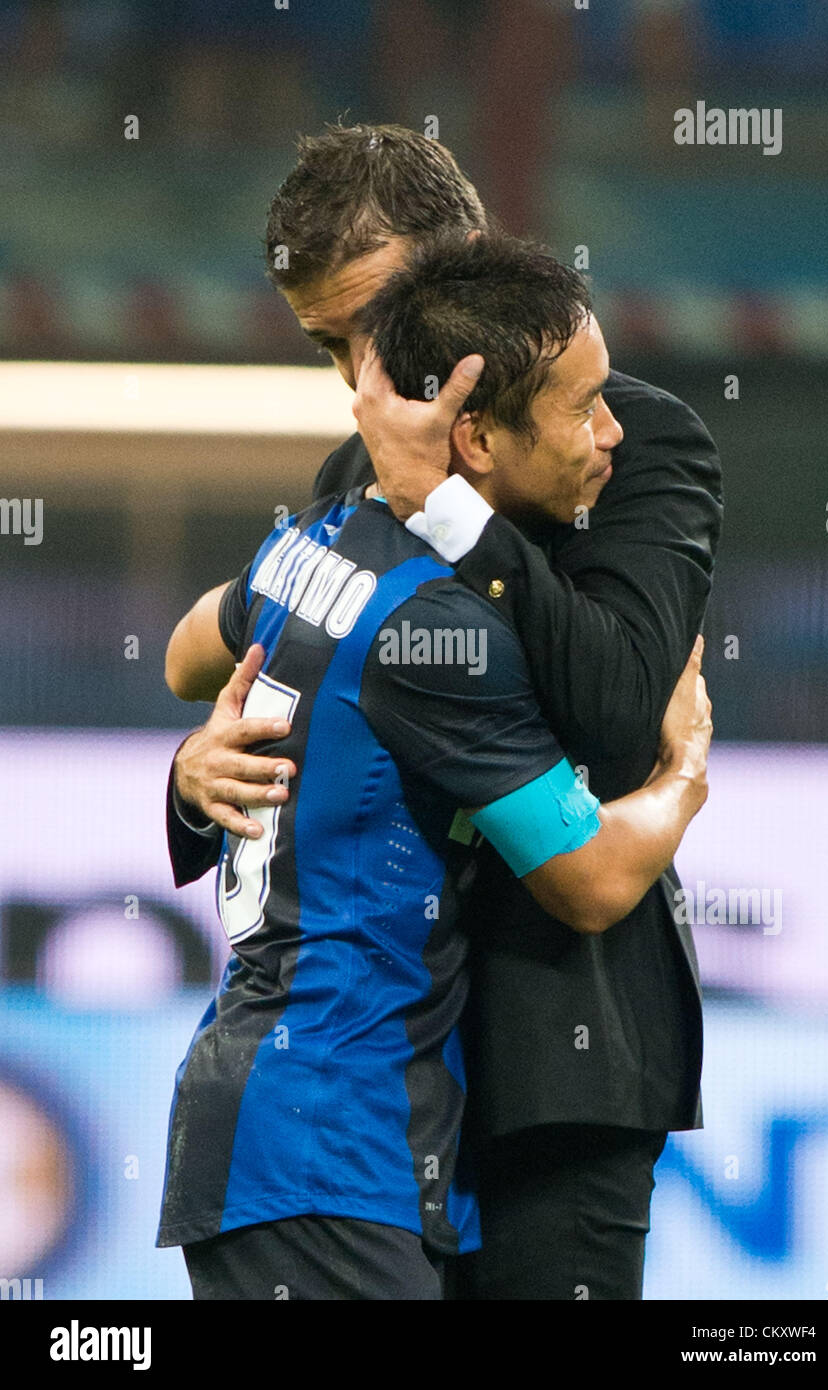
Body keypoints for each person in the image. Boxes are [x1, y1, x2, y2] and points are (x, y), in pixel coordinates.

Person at [167, 124, 723, 1299]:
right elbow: (230, 651)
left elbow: (620, 715)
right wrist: (193, 765)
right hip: (382, 1094)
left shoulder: (630, 439)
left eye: (382, 321)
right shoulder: (348, 483)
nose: (367, 375)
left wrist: (455, 519)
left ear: (465, 266)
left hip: (549, 1072)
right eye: (332, 346)